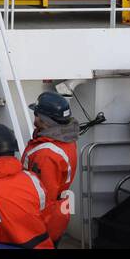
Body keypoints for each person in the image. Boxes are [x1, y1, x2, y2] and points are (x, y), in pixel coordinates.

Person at [22, 92, 79, 245]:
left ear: (45, 121)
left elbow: (44, 198)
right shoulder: (66, 138)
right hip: (58, 214)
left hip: (45, 221)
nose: (34, 117)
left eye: (36, 113)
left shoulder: (46, 155)